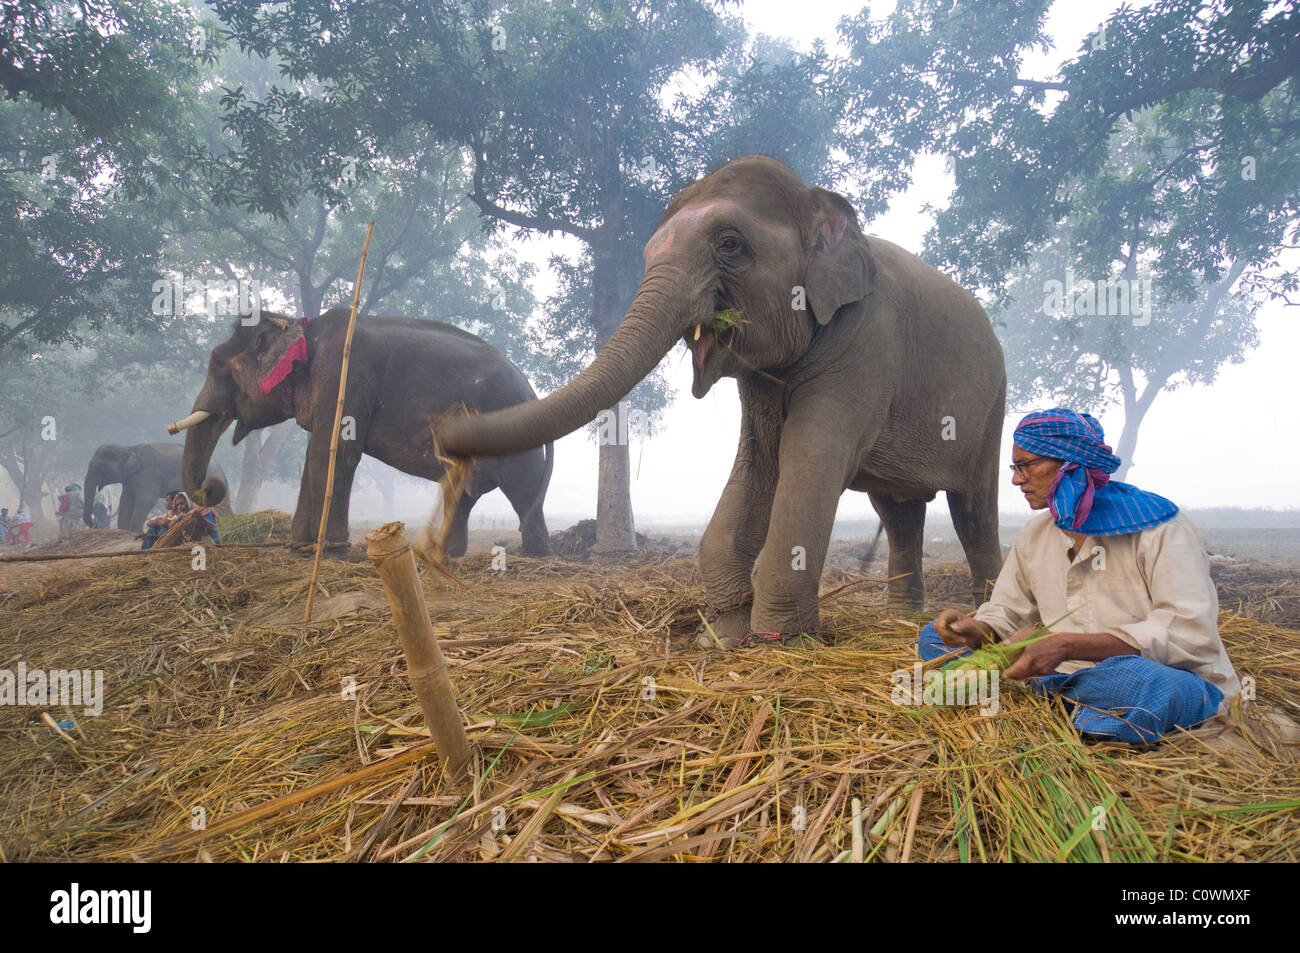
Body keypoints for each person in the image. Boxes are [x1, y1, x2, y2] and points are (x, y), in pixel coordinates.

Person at [923, 408, 1239, 744]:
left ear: (1069, 463)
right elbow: (1008, 612)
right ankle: (1075, 710)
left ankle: (1047, 702)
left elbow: (1188, 633)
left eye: (1026, 465)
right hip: (1064, 674)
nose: (1016, 479)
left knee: (1156, 689)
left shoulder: (1160, 528)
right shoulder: (1036, 534)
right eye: (1015, 468)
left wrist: (1066, 645)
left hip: (1156, 676)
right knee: (932, 638)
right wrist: (977, 630)